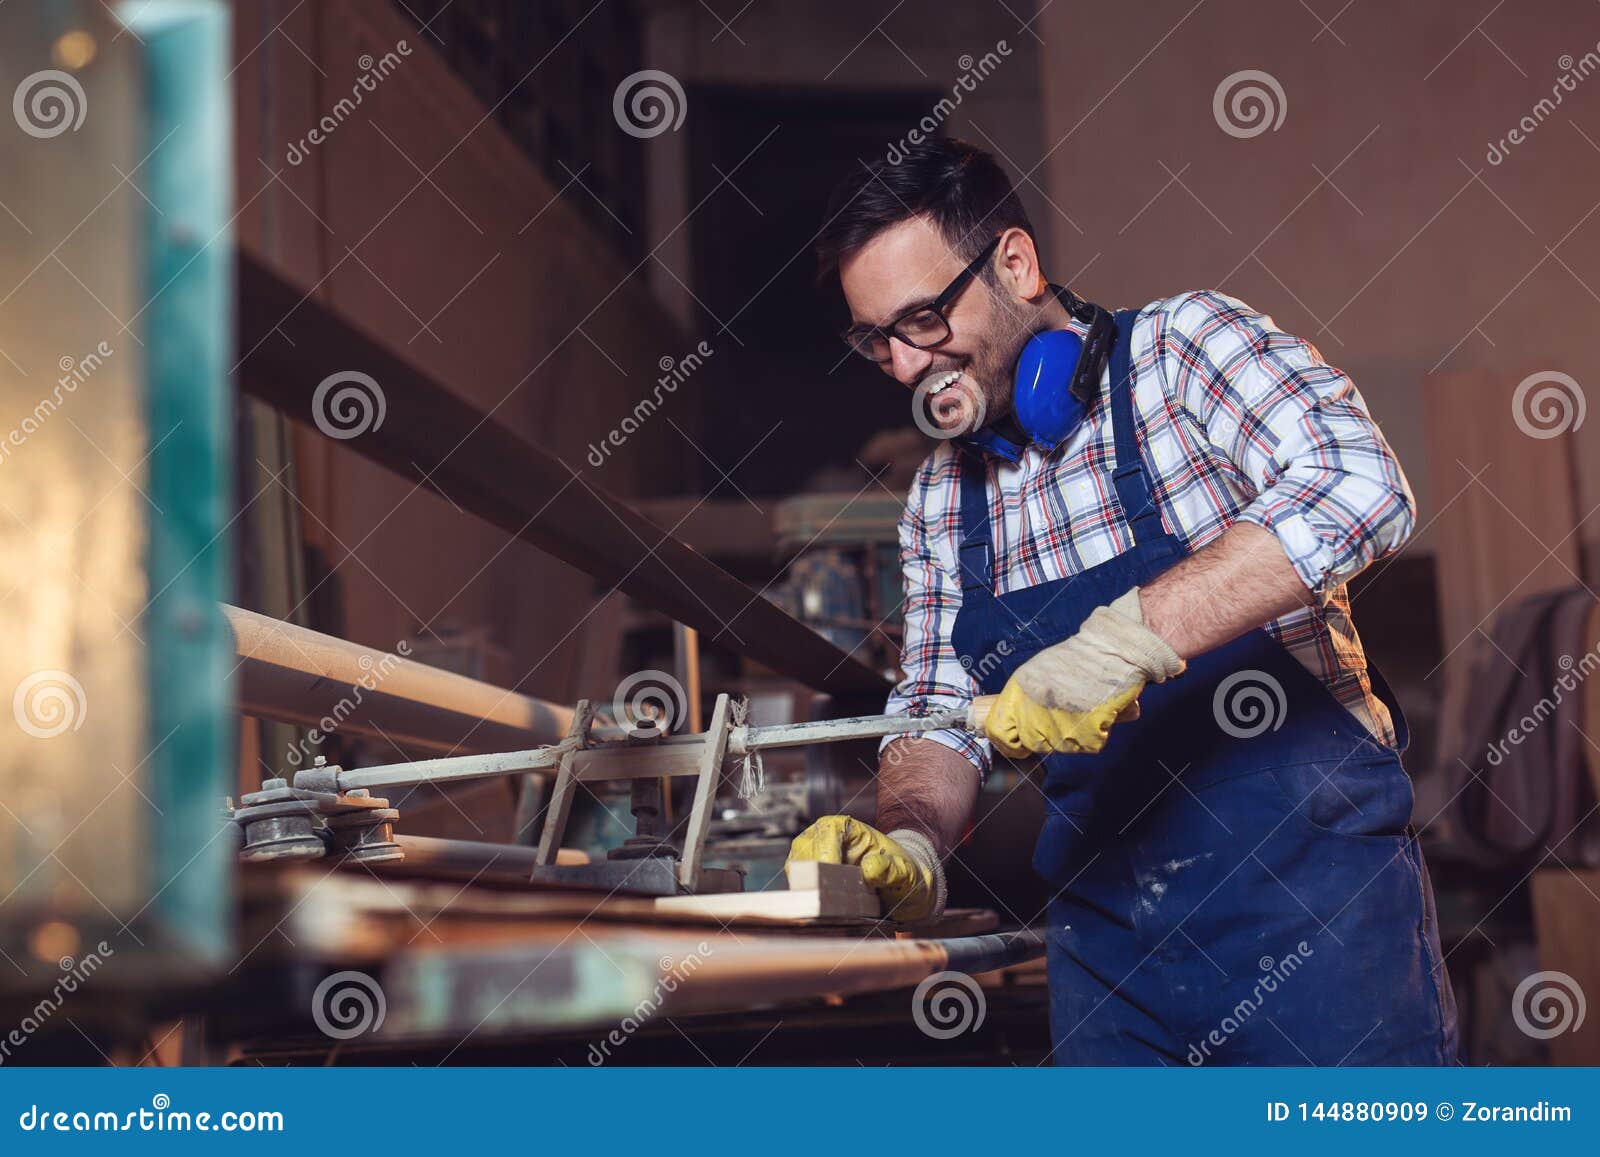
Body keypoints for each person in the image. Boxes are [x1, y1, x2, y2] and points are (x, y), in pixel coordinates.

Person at [786, 138, 1458, 1066]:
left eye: (923, 319)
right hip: (1108, 953)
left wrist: (1130, 638)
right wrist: (910, 840)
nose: (904, 366)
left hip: (1313, 916)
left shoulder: (1183, 355)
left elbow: (1361, 485)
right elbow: (939, 715)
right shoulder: (942, 500)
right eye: (876, 339)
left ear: (1015, 264)